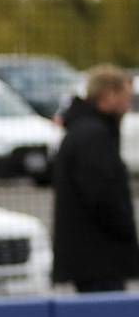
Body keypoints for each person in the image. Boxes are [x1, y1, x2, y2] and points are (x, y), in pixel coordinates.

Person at [51, 64, 139, 293]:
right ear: (109, 95)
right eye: (125, 97)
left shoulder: (84, 130)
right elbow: (102, 195)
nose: (128, 106)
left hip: (91, 256)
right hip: (97, 257)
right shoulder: (93, 136)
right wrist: (125, 228)